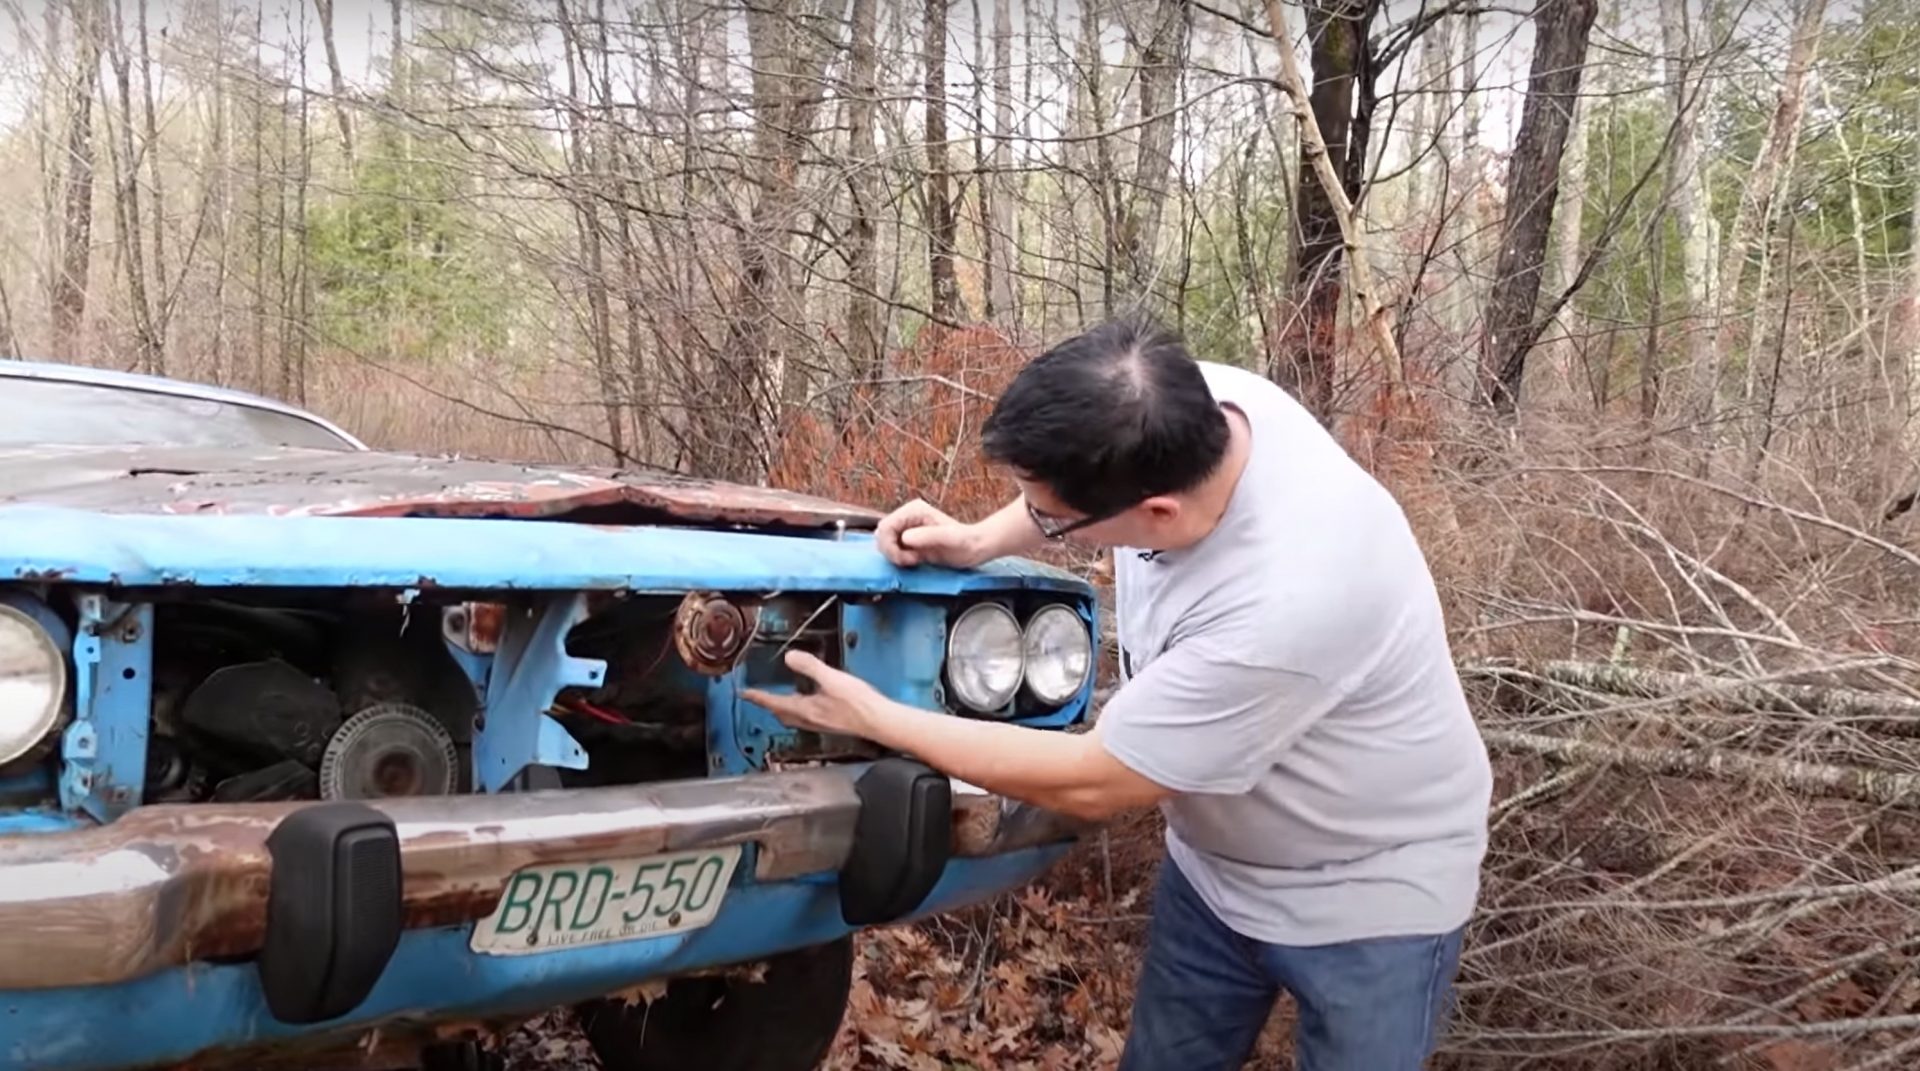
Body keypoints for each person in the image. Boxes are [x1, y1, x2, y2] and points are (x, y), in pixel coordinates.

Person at [742, 317, 1493, 1070]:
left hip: (1371, 895)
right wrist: (978, 539)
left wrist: (878, 718)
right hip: (1217, 874)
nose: (1037, 521)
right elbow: (1077, 492)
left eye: (1050, 520)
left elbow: (1093, 779)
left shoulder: (1290, 603)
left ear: (1157, 512)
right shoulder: (1186, 404)